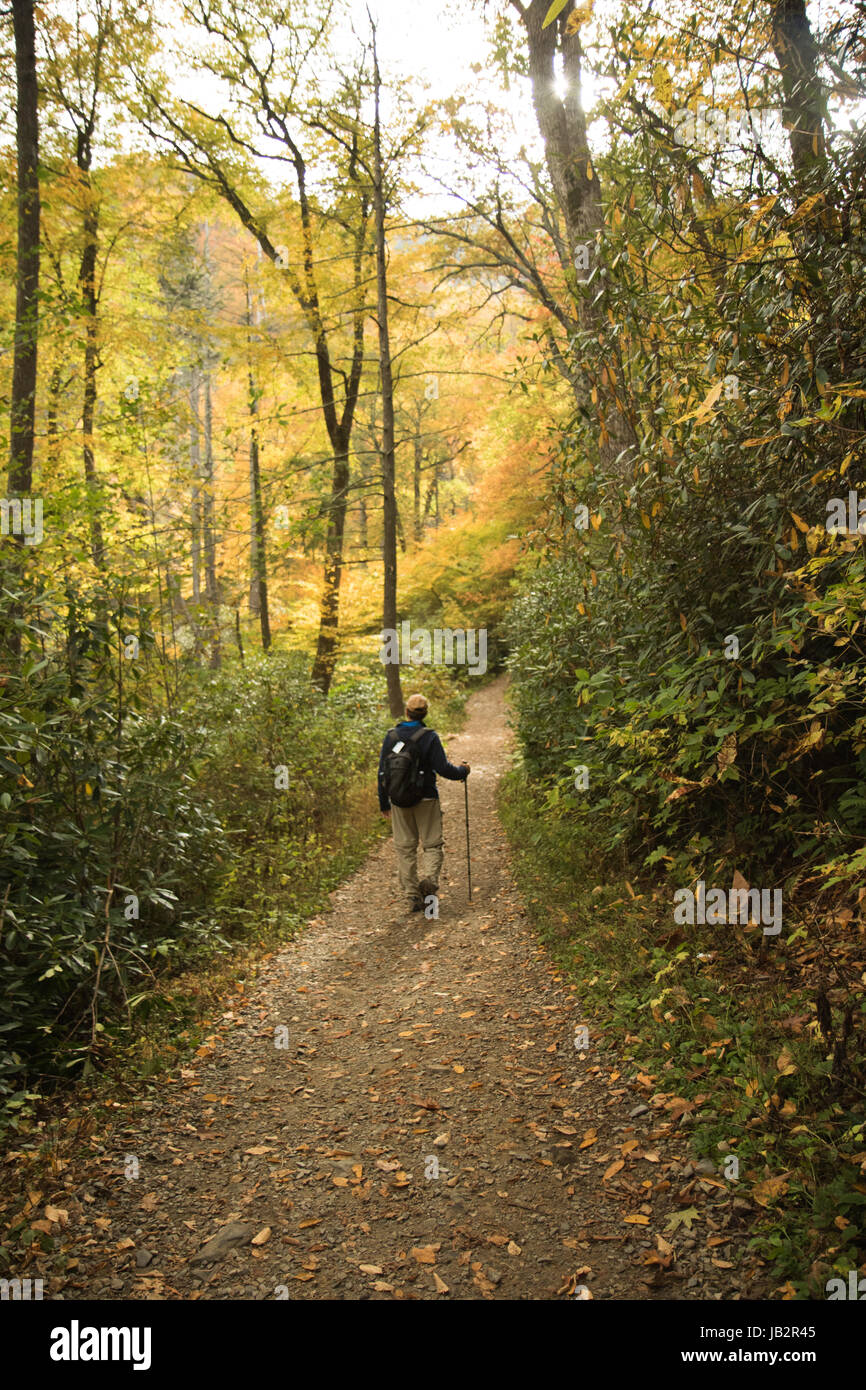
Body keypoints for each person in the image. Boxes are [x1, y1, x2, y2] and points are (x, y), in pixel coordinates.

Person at [378, 692, 470, 913]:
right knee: (431, 843)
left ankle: (412, 896)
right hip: (426, 797)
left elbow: (382, 772)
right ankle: (429, 880)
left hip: (398, 800)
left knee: (405, 847)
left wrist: (384, 803)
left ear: (407, 712)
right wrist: (463, 772)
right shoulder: (429, 736)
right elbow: (443, 768)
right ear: (425, 713)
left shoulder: (391, 736)